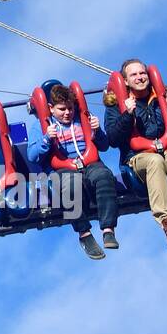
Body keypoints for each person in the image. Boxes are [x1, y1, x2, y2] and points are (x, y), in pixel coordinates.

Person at [103, 59, 167, 247]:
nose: (140, 77)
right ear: (125, 81)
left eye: (142, 73)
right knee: (153, 161)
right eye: (134, 75)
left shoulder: (162, 97)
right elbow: (112, 139)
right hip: (138, 159)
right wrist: (127, 114)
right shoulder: (115, 105)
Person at [28, 84, 119, 259]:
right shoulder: (40, 127)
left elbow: (104, 145)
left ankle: (108, 229)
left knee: (104, 176)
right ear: (51, 109)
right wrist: (47, 138)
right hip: (61, 167)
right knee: (69, 185)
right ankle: (84, 233)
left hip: (89, 163)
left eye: (70, 108)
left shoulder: (82, 120)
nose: (67, 113)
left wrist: (97, 131)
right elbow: (32, 156)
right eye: (62, 109)